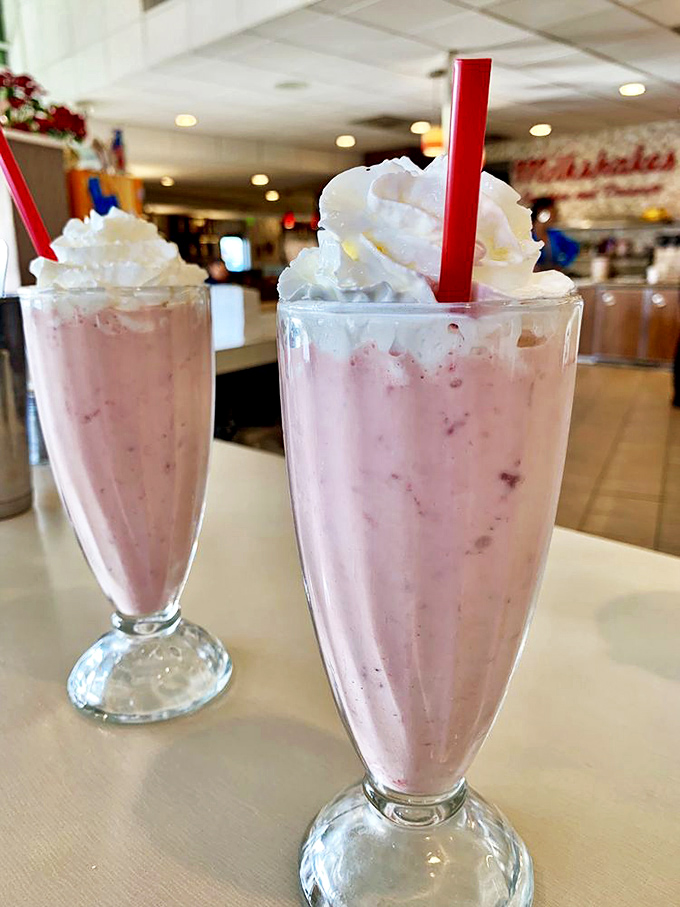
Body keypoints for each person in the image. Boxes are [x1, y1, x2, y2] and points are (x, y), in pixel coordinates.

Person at [531, 197, 580, 272]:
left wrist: (562, 264)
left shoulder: (554, 235)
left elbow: (573, 248)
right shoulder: (526, 235)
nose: (556, 216)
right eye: (553, 212)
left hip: (551, 279)